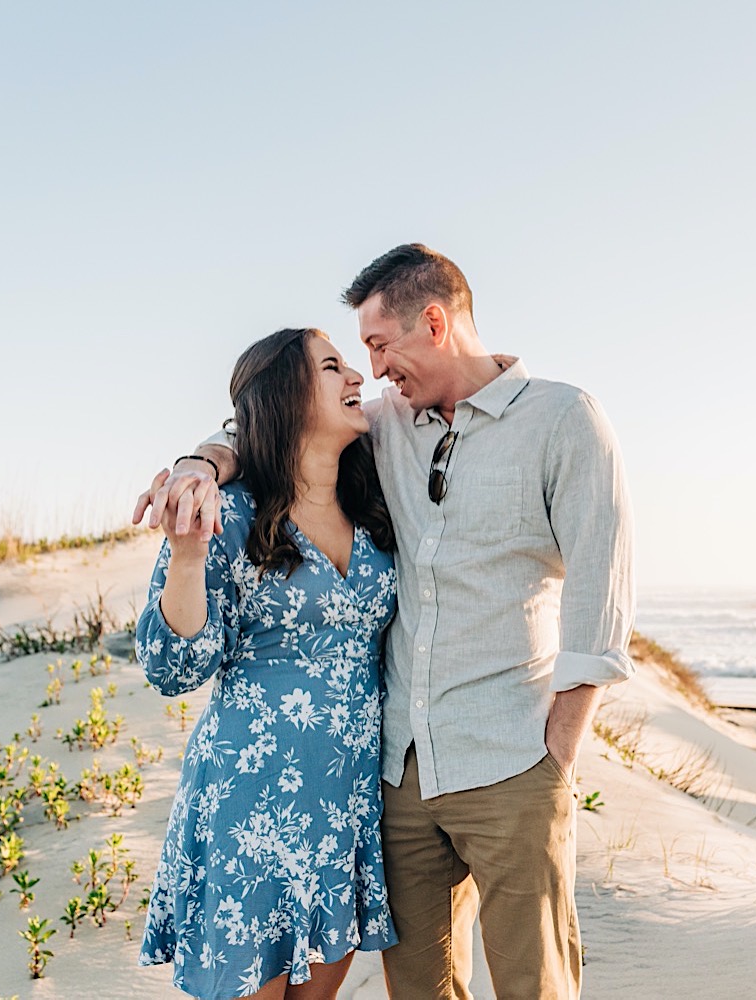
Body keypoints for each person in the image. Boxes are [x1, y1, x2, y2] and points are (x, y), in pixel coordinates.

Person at [134, 245, 635, 1000]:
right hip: (378, 779)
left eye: (375, 346)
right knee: (421, 990)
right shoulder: (378, 430)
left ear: (434, 322)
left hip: (496, 761)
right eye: (350, 357)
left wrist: (557, 756)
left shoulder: (560, 421)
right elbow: (262, 422)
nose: (370, 371)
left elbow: (601, 599)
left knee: (535, 985)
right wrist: (198, 464)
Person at [135, 327, 400, 1000]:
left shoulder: (374, 513)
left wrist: (206, 454)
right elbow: (174, 668)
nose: (356, 380)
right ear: (286, 394)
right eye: (334, 367)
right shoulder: (227, 511)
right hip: (250, 809)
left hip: (343, 810)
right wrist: (189, 554)